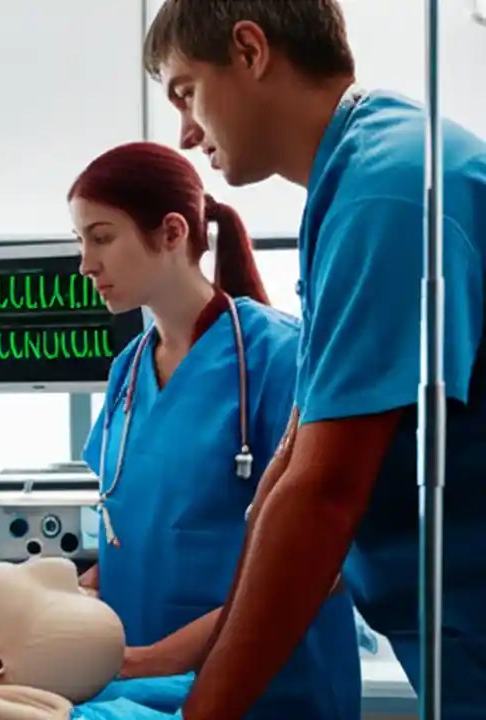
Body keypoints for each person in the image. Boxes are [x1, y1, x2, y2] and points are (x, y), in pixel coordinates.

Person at [141, 1, 486, 718]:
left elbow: (322, 494)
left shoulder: (392, 190)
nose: (185, 131)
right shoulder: (354, 180)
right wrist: (168, 668)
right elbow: (289, 472)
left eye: (186, 92)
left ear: (250, 49)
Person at [69, 141, 360, 719]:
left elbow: (332, 559)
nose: (85, 263)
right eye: (81, 242)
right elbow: (135, 534)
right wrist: (66, 603)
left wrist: (162, 658)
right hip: (143, 687)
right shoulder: (127, 369)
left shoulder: (278, 358)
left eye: (101, 237)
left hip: (272, 691)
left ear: (173, 232)